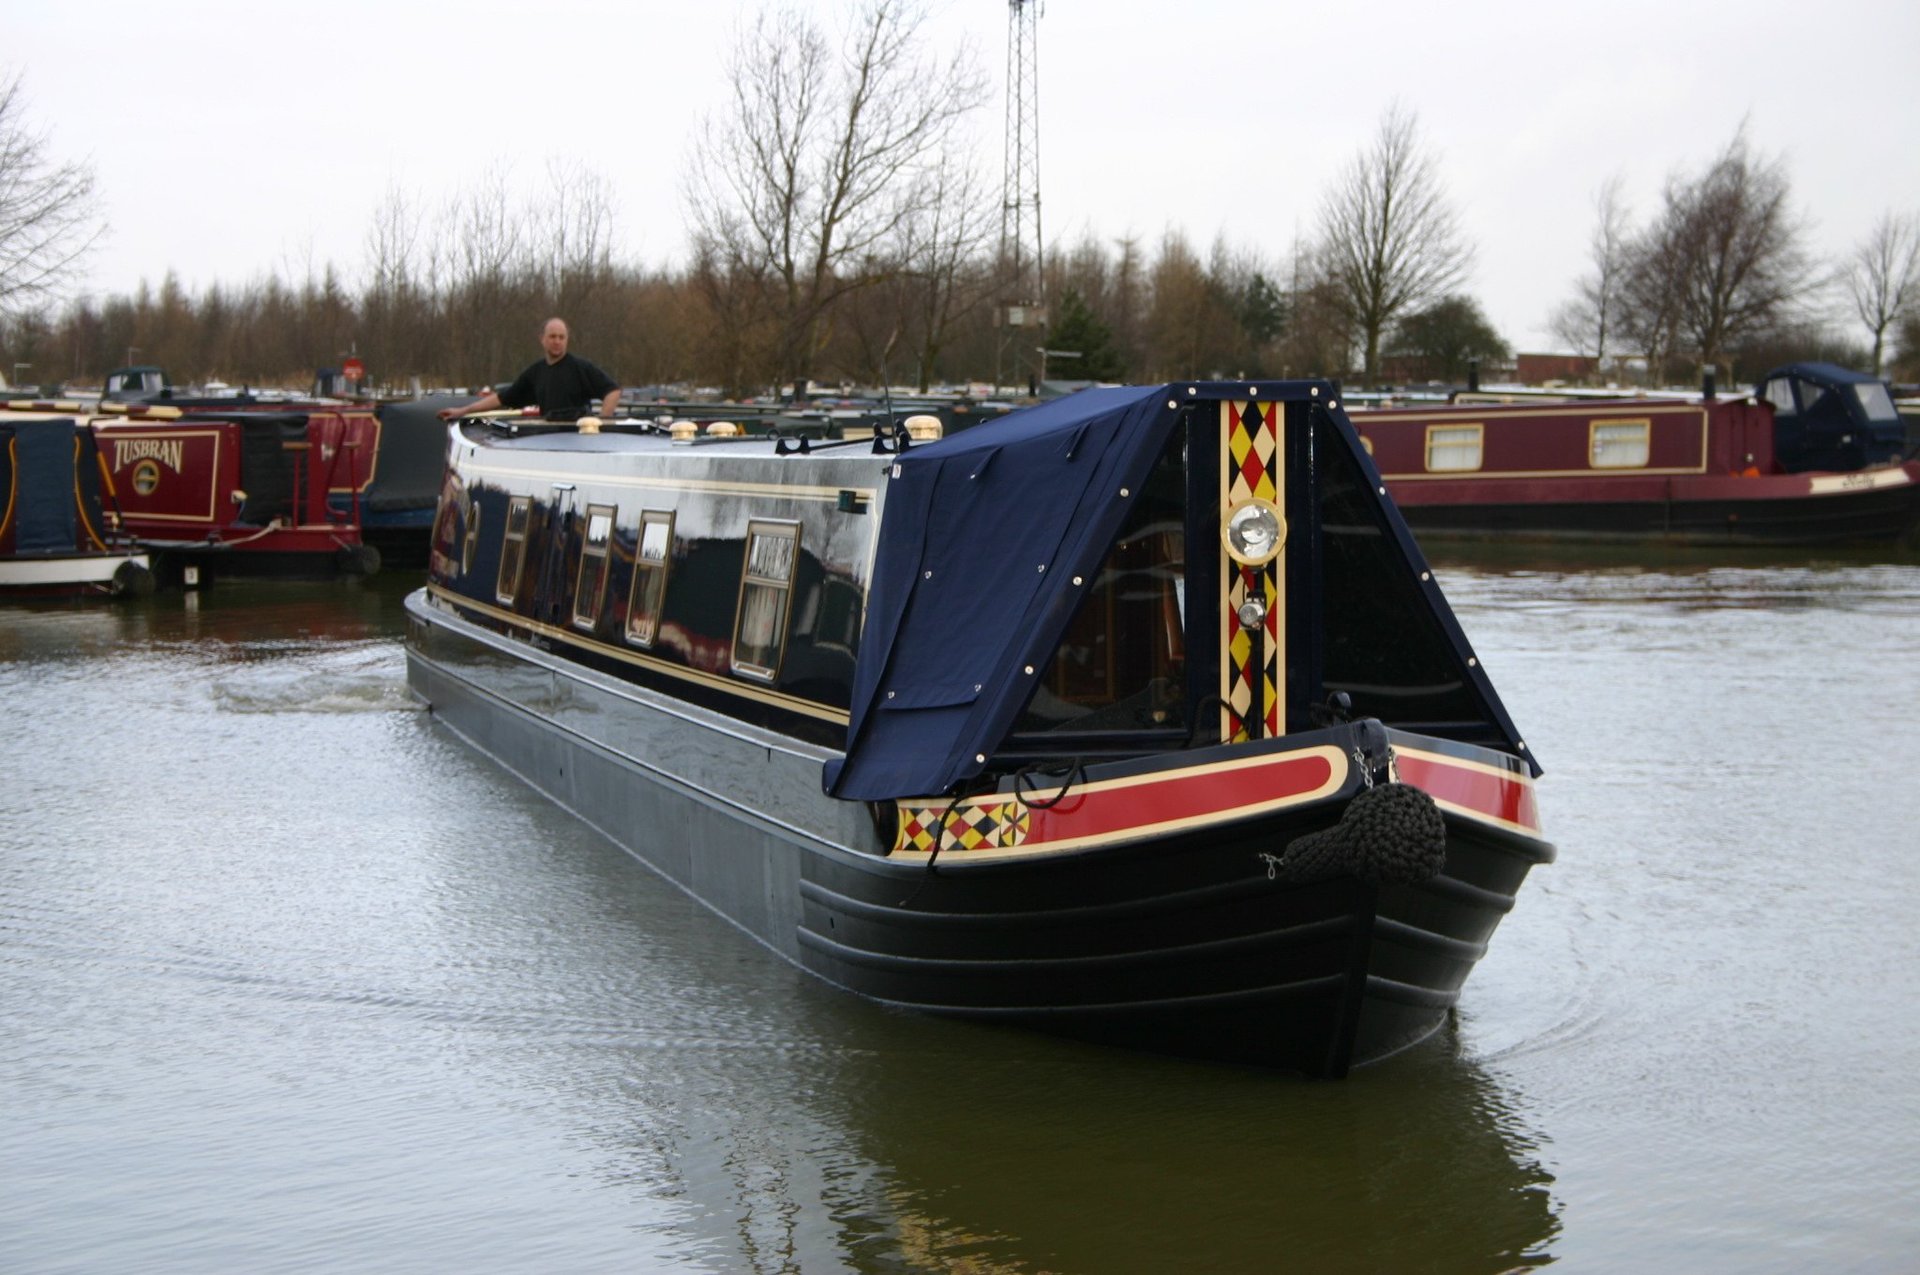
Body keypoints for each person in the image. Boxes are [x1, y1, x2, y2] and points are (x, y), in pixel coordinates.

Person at [438, 318, 621, 422]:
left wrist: (602, 423)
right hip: (547, 439)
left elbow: (612, 391)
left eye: (561, 337)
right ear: (542, 339)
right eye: (552, 336)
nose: (557, 341)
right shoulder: (535, 373)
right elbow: (503, 397)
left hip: (577, 442)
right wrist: (463, 411)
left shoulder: (581, 367)